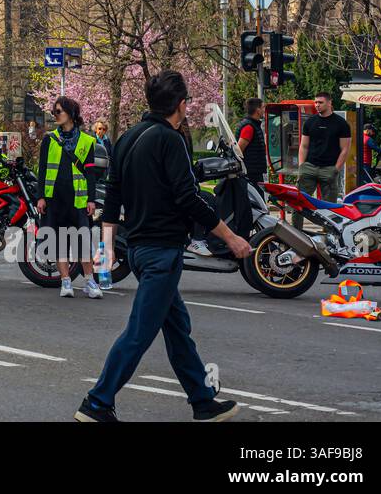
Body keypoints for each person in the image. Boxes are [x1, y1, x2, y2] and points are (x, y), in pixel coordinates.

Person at [75, 70, 250, 423]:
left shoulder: (127, 138)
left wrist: (108, 245)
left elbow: (113, 198)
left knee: (176, 325)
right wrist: (230, 236)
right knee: (140, 331)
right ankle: (96, 403)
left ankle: (202, 400)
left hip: (138, 250)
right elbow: (188, 198)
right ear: (182, 105)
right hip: (162, 251)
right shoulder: (170, 140)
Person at [37, 96, 101, 298]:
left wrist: (91, 198)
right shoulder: (49, 139)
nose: (55, 115)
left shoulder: (87, 141)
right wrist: (41, 197)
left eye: (59, 111)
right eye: (54, 112)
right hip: (54, 198)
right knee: (58, 241)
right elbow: (42, 170)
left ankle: (89, 281)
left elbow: (90, 173)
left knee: (82, 240)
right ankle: (66, 282)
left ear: (71, 114)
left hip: (78, 199)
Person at [298, 92, 351, 204]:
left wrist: (336, 169)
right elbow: (303, 146)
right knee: (299, 203)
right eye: (316, 102)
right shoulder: (310, 122)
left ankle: (324, 222)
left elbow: (345, 149)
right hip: (309, 167)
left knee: (329, 207)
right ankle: (296, 223)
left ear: (329, 103)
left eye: (320, 102)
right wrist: (302, 166)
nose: (317, 105)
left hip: (329, 168)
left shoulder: (341, 124)